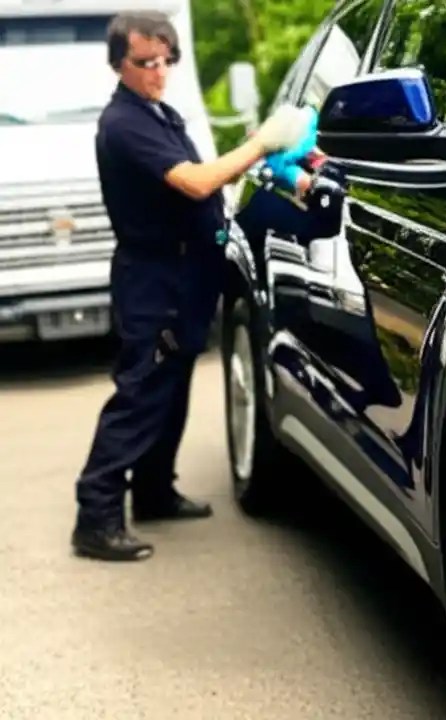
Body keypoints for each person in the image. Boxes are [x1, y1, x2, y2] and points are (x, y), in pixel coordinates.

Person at [71, 10, 311, 562]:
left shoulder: (157, 113)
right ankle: (96, 514)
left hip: (183, 277)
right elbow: (196, 181)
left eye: (166, 60)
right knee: (142, 392)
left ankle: (154, 490)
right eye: (144, 62)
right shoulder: (124, 123)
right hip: (155, 281)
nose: (158, 72)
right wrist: (260, 146)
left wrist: (256, 152)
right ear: (118, 64)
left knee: (171, 388)